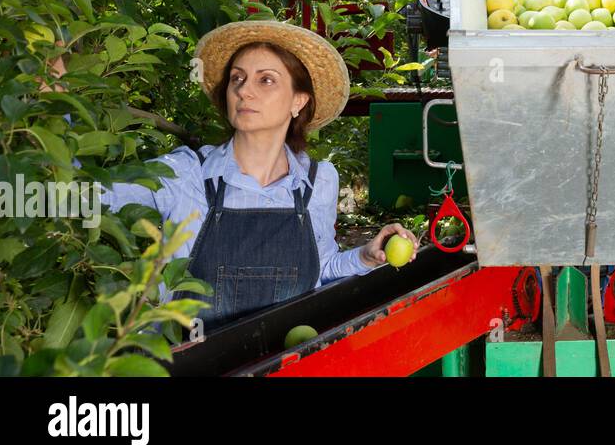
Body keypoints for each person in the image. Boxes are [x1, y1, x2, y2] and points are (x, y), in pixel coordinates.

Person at [86, 20, 418, 332]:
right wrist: (55, 110)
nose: (245, 91)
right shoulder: (186, 174)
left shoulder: (319, 182)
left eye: (266, 80)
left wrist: (363, 256)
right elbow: (85, 195)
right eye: (237, 78)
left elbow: (320, 271)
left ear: (298, 101)